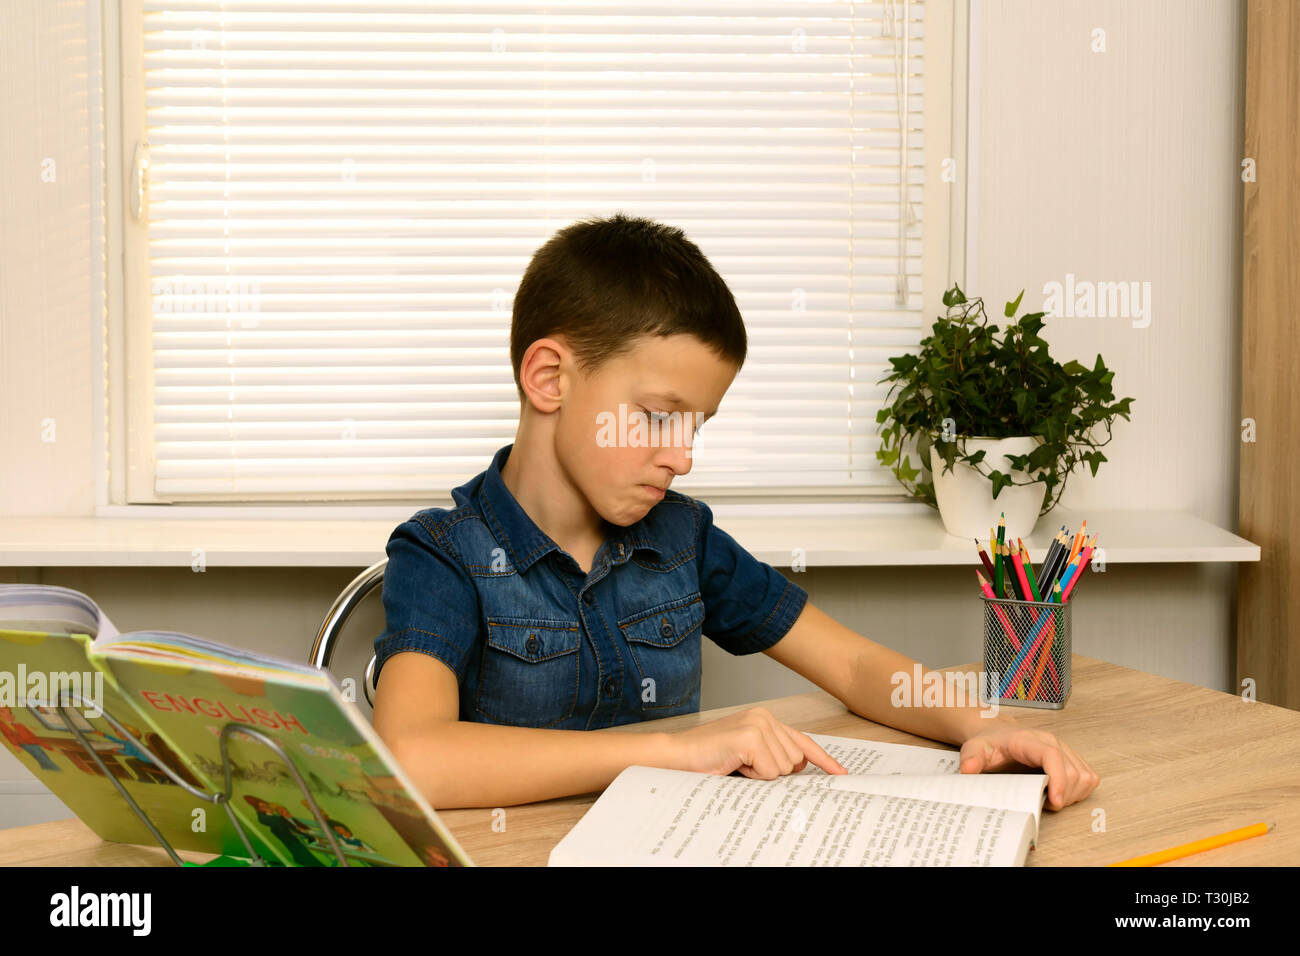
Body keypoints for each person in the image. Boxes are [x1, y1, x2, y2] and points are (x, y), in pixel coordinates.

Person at [371, 213, 1099, 813]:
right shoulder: (444, 555)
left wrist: (986, 724)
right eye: (658, 418)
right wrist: (674, 750)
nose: (682, 457)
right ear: (550, 378)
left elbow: (849, 661)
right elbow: (413, 758)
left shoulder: (682, 539)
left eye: (699, 426)